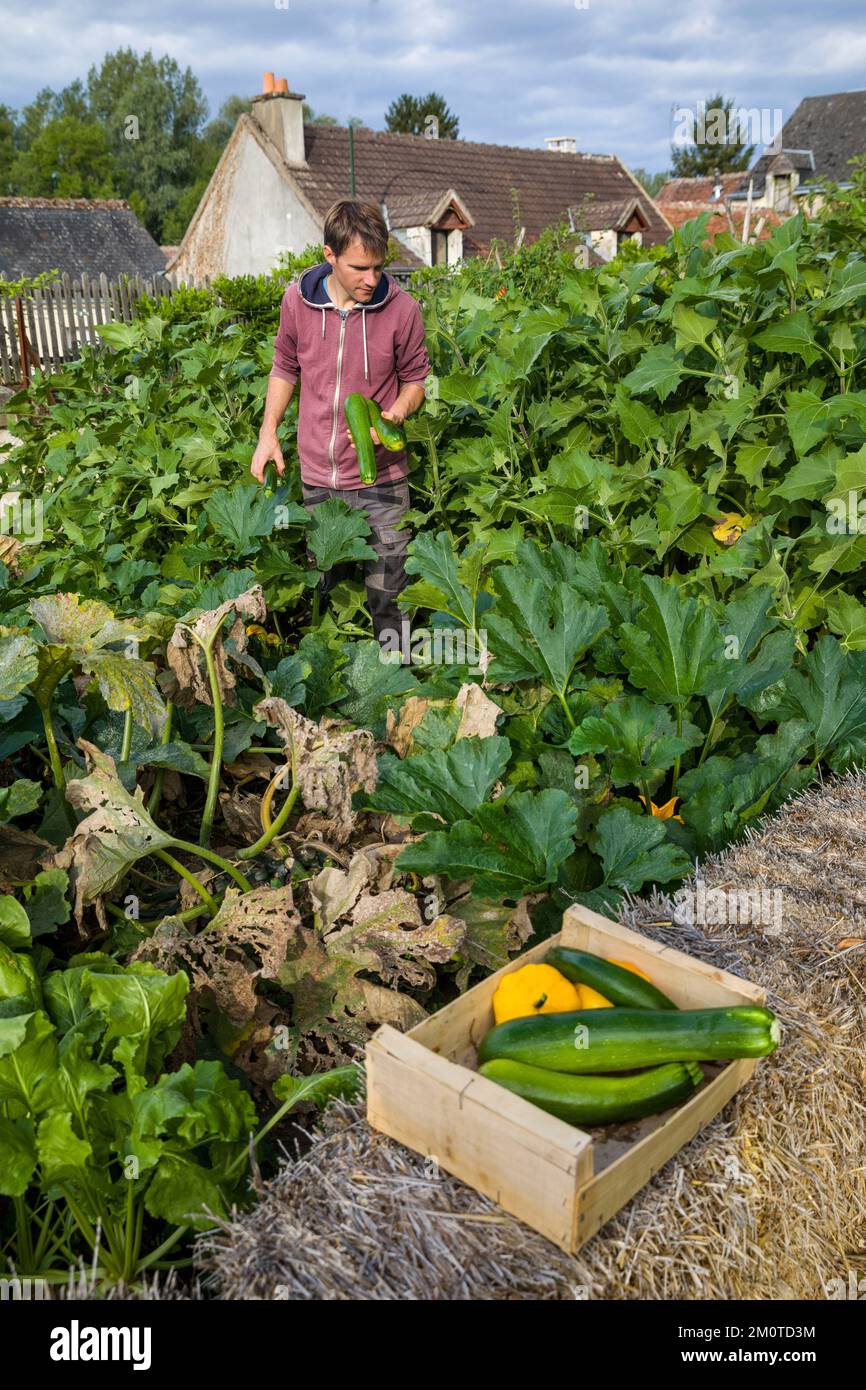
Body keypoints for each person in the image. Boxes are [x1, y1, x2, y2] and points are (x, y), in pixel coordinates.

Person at [250, 199, 430, 654]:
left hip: (384, 481)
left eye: (378, 267)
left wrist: (394, 416)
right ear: (329, 255)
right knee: (326, 594)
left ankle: (397, 693)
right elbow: (284, 368)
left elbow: (415, 380)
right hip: (318, 481)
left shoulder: (402, 309)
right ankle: (332, 705)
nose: (372, 279)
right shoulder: (297, 301)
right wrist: (268, 433)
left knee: (390, 600)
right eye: (359, 268)